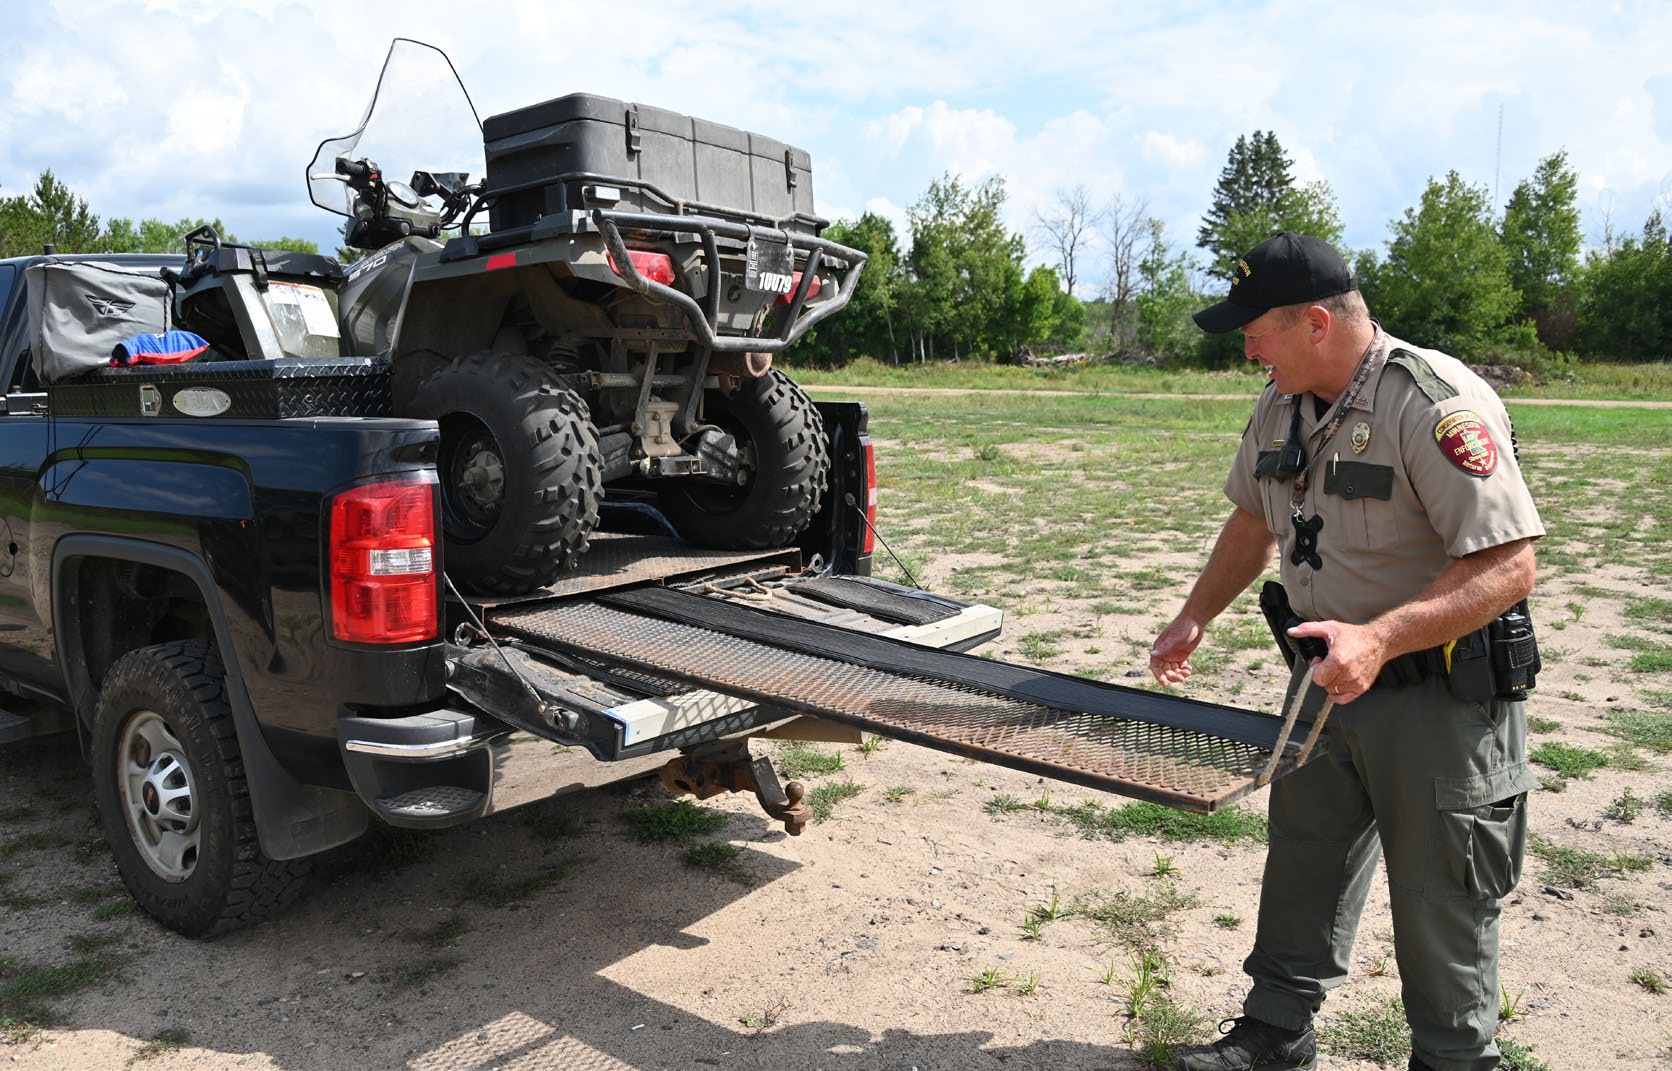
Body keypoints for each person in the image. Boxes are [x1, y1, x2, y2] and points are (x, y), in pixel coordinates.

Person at [1150, 232, 1544, 1071]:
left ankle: (1455, 1058)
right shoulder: (1281, 401)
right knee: (1306, 856)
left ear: (1317, 323)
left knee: (1443, 890)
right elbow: (1254, 518)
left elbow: (1509, 564)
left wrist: (1381, 637)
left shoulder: (1431, 401)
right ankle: (1276, 1029)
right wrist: (1195, 614)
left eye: (1257, 332)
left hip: (1437, 695)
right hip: (1325, 681)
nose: (1248, 350)